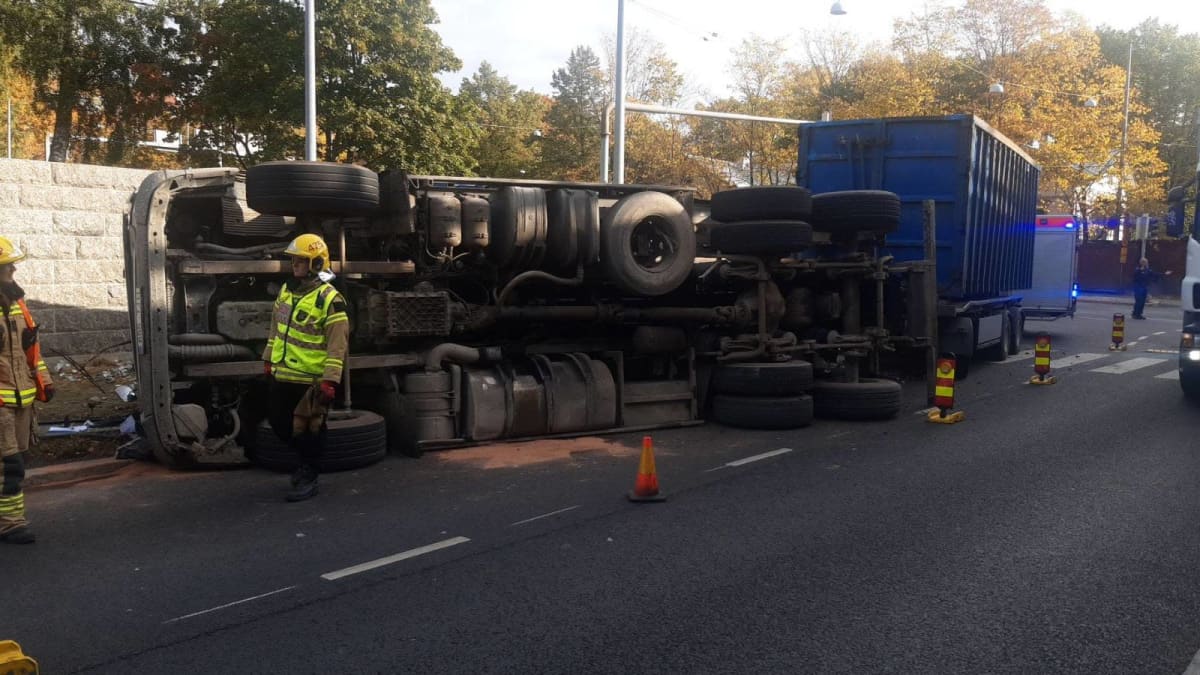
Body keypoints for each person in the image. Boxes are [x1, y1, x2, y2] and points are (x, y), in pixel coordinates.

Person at [262, 234, 349, 502]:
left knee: (311, 430)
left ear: (315, 263)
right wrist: (268, 358)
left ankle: (309, 474)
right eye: (293, 260)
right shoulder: (287, 291)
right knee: (279, 423)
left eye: (300, 260)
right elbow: (276, 328)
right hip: (282, 374)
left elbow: (338, 345)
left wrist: (329, 381)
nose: (294, 265)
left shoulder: (329, 299)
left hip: (311, 381)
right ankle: (306, 462)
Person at [0, 237, 53, 544]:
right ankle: (10, 524)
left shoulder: (18, 306)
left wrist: (44, 381)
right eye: (8, 268)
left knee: (15, 460)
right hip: (2, 403)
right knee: (10, 466)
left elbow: (31, 350)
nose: (14, 272)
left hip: (21, 399)